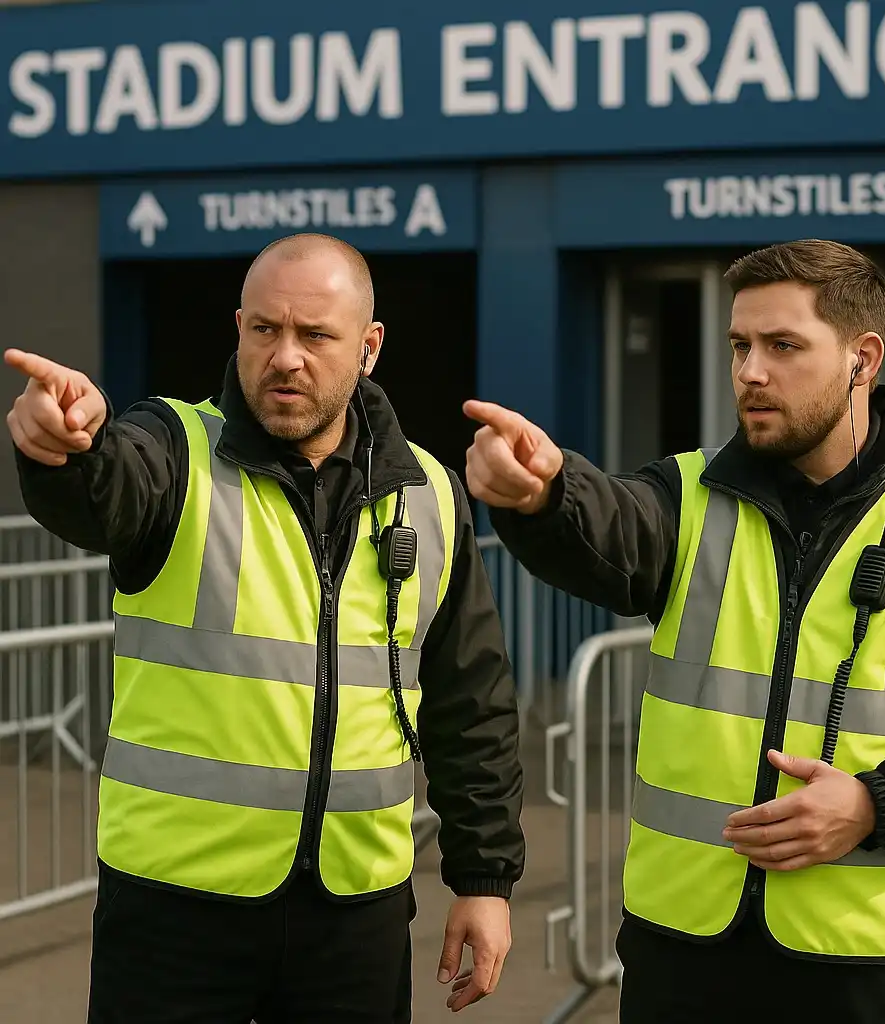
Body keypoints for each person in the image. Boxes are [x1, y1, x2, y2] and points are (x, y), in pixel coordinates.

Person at [463, 239, 885, 1023]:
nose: (750, 371)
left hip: (870, 969)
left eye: (783, 346)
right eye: (740, 346)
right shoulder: (686, 493)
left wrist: (875, 805)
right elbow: (609, 527)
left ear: (863, 359)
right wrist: (545, 494)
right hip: (682, 956)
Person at [5, 233, 525, 1023]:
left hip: (356, 914)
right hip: (174, 913)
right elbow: (102, 486)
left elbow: (470, 703)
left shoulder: (431, 495)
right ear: (239, 327)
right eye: (265, 331)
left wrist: (483, 881)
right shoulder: (173, 450)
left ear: (369, 347)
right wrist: (66, 451)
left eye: (316, 335)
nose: (286, 357)